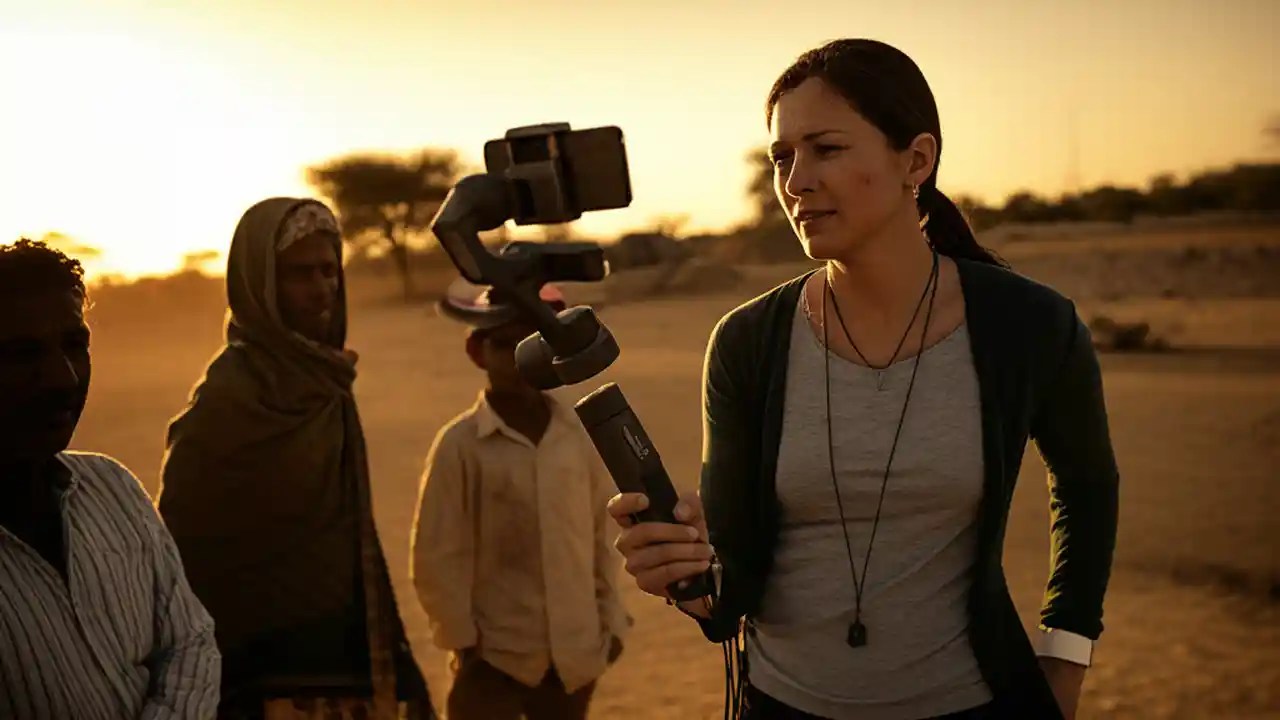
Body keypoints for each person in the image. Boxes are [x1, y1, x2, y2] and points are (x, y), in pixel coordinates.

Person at [606, 39, 1119, 720]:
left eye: (827, 149)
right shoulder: (749, 342)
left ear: (917, 159)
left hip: (971, 702)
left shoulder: (1029, 325)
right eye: (782, 157)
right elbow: (727, 586)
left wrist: (1066, 655)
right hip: (782, 704)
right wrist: (679, 571)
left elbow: (1087, 489)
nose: (795, 182)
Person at [155, 199, 435, 719]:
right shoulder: (230, 394)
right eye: (299, 273)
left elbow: (350, 530)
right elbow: (179, 541)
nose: (322, 287)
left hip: (344, 643)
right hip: (254, 663)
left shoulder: (327, 380)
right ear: (258, 282)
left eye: (330, 270)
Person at [0, 238, 221, 719]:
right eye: (22, 354)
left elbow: (191, 641)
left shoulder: (113, 489)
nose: (62, 378)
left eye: (75, 345)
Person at [411, 278, 631, 720]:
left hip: (574, 659)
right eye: (505, 347)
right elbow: (436, 556)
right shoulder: (460, 444)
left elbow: (595, 536)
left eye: (534, 347)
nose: (521, 362)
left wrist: (611, 626)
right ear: (478, 352)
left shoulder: (576, 435)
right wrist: (465, 646)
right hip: (494, 661)